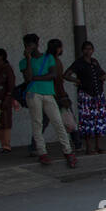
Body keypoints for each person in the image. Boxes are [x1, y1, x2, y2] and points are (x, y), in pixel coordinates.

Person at [20, 33, 76, 167]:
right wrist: (28, 59)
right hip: (33, 94)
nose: (28, 47)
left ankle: (68, 151)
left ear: (37, 44)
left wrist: (36, 78)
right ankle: (42, 153)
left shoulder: (48, 57)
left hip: (49, 94)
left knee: (58, 122)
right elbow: (27, 78)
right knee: (37, 124)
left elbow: (53, 75)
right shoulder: (23, 62)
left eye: (30, 44)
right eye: (26, 45)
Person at [63, 40, 106, 154]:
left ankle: (98, 146)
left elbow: (102, 73)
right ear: (82, 50)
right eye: (85, 49)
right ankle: (89, 147)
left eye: (90, 49)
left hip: (98, 94)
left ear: (93, 50)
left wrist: (103, 76)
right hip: (86, 95)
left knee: (98, 120)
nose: (88, 51)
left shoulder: (94, 62)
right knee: (87, 121)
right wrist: (77, 80)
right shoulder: (79, 63)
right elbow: (66, 75)